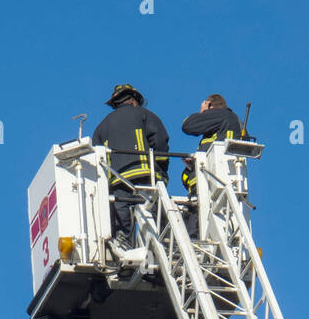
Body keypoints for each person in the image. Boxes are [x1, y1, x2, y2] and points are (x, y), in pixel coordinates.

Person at [92, 85, 169, 250]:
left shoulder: (101, 127)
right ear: (133, 100)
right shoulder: (145, 115)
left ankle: (126, 259)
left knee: (123, 232)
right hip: (145, 177)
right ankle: (162, 247)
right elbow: (160, 143)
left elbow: (95, 161)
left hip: (118, 183)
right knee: (157, 224)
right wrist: (161, 171)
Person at [180, 94, 245, 238]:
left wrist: (202, 112)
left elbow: (188, 125)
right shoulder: (235, 121)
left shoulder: (219, 115)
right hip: (227, 182)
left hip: (208, 182)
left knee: (195, 226)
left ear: (209, 105)